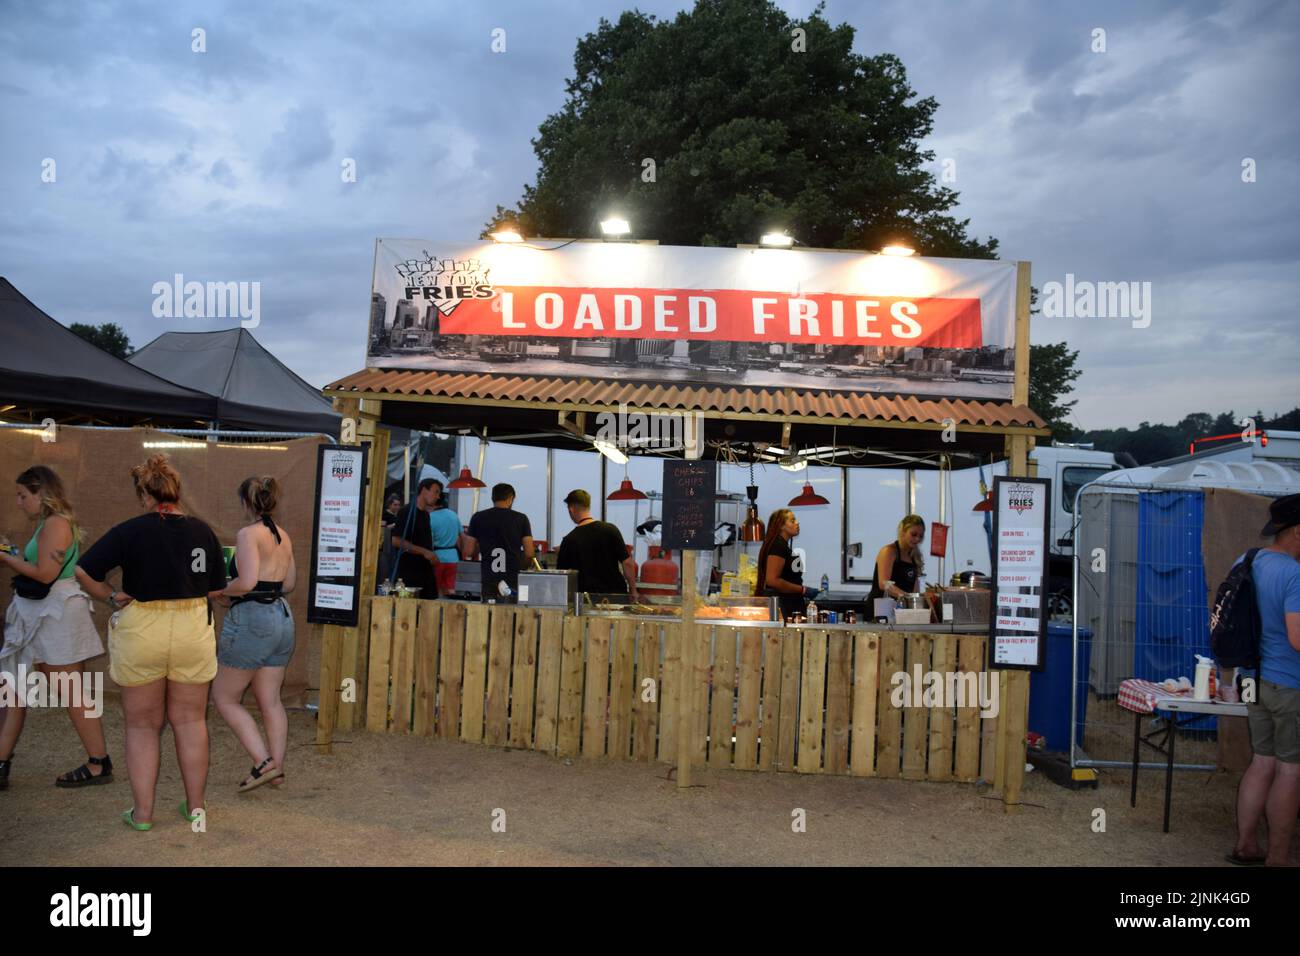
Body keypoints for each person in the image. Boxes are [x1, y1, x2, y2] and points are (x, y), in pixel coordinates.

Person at [76, 455, 226, 831]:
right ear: (175, 491)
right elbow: (216, 587)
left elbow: (83, 569)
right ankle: (196, 809)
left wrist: (111, 596)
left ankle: (142, 814)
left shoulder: (129, 531)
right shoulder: (202, 530)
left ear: (145, 493)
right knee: (191, 721)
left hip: (143, 627)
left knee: (142, 726)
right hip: (192, 625)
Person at [0, 466, 111, 791]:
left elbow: (46, 573)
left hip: (55, 614)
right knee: (13, 688)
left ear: (41, 493)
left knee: (68, 690)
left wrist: (6, 557)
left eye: (23, 495)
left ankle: (98, 762)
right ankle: (2, 762)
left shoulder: (57, 523)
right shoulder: (50, 524)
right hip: (41, 613)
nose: (19, 502)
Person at [211, 476, 296, 792]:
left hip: (253, 618)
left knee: (224, 696)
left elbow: (245, 582)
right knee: (270, 700)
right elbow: (288, 584)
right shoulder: (283, 536)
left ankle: (264, 763)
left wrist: (219, 590)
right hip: (281, 618)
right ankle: (277, 768)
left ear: (245, 503)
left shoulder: (248, 534)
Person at [1229, 493, 1300, 867]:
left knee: (1262, 761)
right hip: (1288, 682)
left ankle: (1246, 844)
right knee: (1290, 768)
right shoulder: (1294, 574)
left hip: (1251, 678)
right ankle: (1279, 856)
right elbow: (1297, 638)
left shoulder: (1248, 559)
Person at [555, 490, 637, 597]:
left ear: (571, 510)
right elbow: (628, 563)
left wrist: (561, 553)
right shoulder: (611, 530)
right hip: (616, 597)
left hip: (586, 600)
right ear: (588, 506)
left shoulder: (569, 540)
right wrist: (633, 590)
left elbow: (563, 577)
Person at [463, 483, 534, 601]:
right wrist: (523, 566)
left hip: (489, 578)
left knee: (489, 615)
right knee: (511, 615)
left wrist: (482, 547)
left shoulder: (478, 517)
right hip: (512, 578)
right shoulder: (521, 519)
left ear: (492, 498)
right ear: (511, 498)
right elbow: (529, 553)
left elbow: (468, 551)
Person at [756, 508, 817, 621]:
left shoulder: (782, 546)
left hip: (790, 603)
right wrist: (802, 590)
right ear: (781, 526)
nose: (797, 523)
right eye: (792, 520)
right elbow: (772, 580)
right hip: (783, 606)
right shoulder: (778, 546)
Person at [390, 479, 441, 597]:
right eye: (436, 492)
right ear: (424, 490)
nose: (438, 496)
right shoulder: (406, 511)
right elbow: (396, 540)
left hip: (425, 572)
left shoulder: (426, 515)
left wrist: (430, 554)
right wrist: (425, 552)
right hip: (409, 574)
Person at [869, 514, 927, 603]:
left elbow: (915, 590)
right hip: (881, 609)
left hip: (900, 609)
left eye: (920, 536)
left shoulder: (914, 557)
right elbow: (884, 584)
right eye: (914, 534)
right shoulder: (889, 551)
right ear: (903, 531)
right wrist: (908, 597)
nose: (917, 539)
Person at [427, 484, 464, 596]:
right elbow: (461, 536)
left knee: (436, 589)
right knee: (450, 588)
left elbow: (429, 540)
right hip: (453, 557)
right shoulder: (453, 515)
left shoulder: (430, 517)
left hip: (437, 557)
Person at [377, 493, 401, 591]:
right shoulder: (385, 514)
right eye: (395, 505)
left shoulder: (398, 515)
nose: (397, 507)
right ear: (390, 505)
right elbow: (382, 528)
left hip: (396, 544)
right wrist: (393, 525)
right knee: (387, 565)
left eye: (399, 505)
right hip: (387, 544)